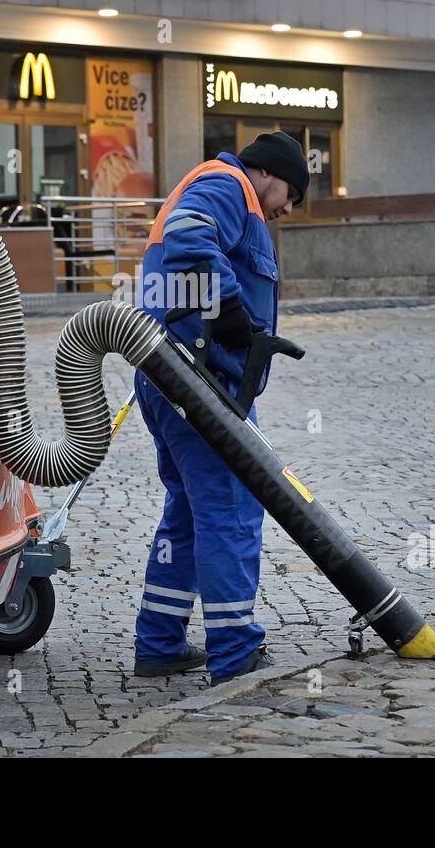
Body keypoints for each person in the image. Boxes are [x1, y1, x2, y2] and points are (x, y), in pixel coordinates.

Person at [131, 131, 309, 684]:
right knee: (231, 511)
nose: (286, 209)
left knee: (187, 511)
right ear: (271, 174)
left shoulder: (215, 186)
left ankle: (159, 642)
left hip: (168, 374)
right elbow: (188, 235)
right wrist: (230, 306)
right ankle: (236, 653)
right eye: (291, 196)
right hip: (200, 381)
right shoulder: (229, 185)